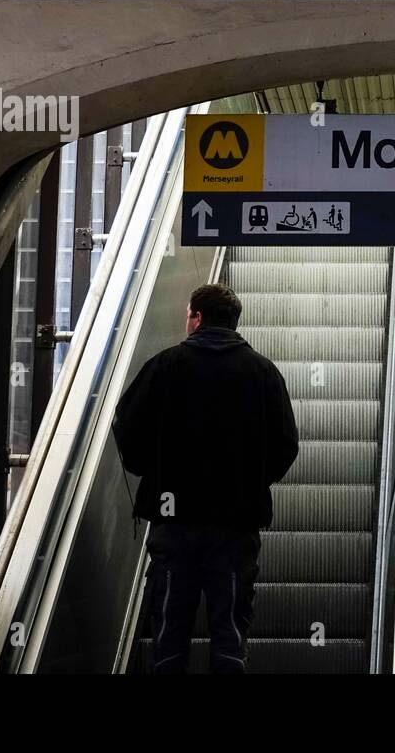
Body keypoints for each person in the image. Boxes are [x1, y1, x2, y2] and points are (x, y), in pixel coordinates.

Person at [113, 282, 298, 674]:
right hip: (235, 522)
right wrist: (252, 481)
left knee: (169, 625)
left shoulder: (164, 366)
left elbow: (126, 425)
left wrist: (153, 469)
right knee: (230, 628)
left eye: (187, 315)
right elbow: (286, 444)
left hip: (174, 519)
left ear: (197, 317)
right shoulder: (263, 372)